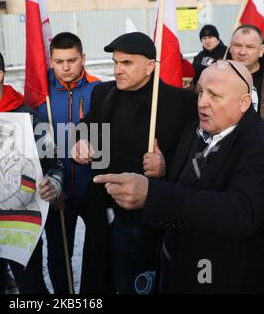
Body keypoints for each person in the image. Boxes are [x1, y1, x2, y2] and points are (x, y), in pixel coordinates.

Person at [94, 60, 264, 293]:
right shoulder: (196, 130)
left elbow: (238, 213)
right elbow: (184, 186)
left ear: (243, 102)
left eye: (214, 95)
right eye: (200, 91)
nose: (202, 102)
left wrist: (152, 194)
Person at [71, 32, 198, 293]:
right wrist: (80, 140)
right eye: (115, 63)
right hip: (115, 219)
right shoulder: (103, 93)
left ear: (150, 66)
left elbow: (200, 158)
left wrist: (166, 165)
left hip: (161, 221)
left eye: (126, 63)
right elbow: (87, 126)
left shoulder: (181, 102)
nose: (118, 70)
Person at [0, 46, 64, 294]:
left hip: (20, 227)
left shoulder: (29, 120)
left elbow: (55, 165)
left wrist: (54, 185)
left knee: (31, 289)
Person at [35, 32, 101, 293]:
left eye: (72, 60)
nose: (65, 67)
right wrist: (53, 185)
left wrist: (93, 149)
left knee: (97, 253)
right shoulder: (40, 93)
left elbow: (107, 137)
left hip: (92, 187)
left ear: (82, 57)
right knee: (59, 255)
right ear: (50, 60)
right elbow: (34, 146)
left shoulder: (99, 89)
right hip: (57, 193)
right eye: (58, 61)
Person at [229, 24, 264, 140]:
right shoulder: (214, 78)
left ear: (261, 50)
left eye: (250, 47)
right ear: (230, 47)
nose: (242, 52)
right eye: (237, 45)